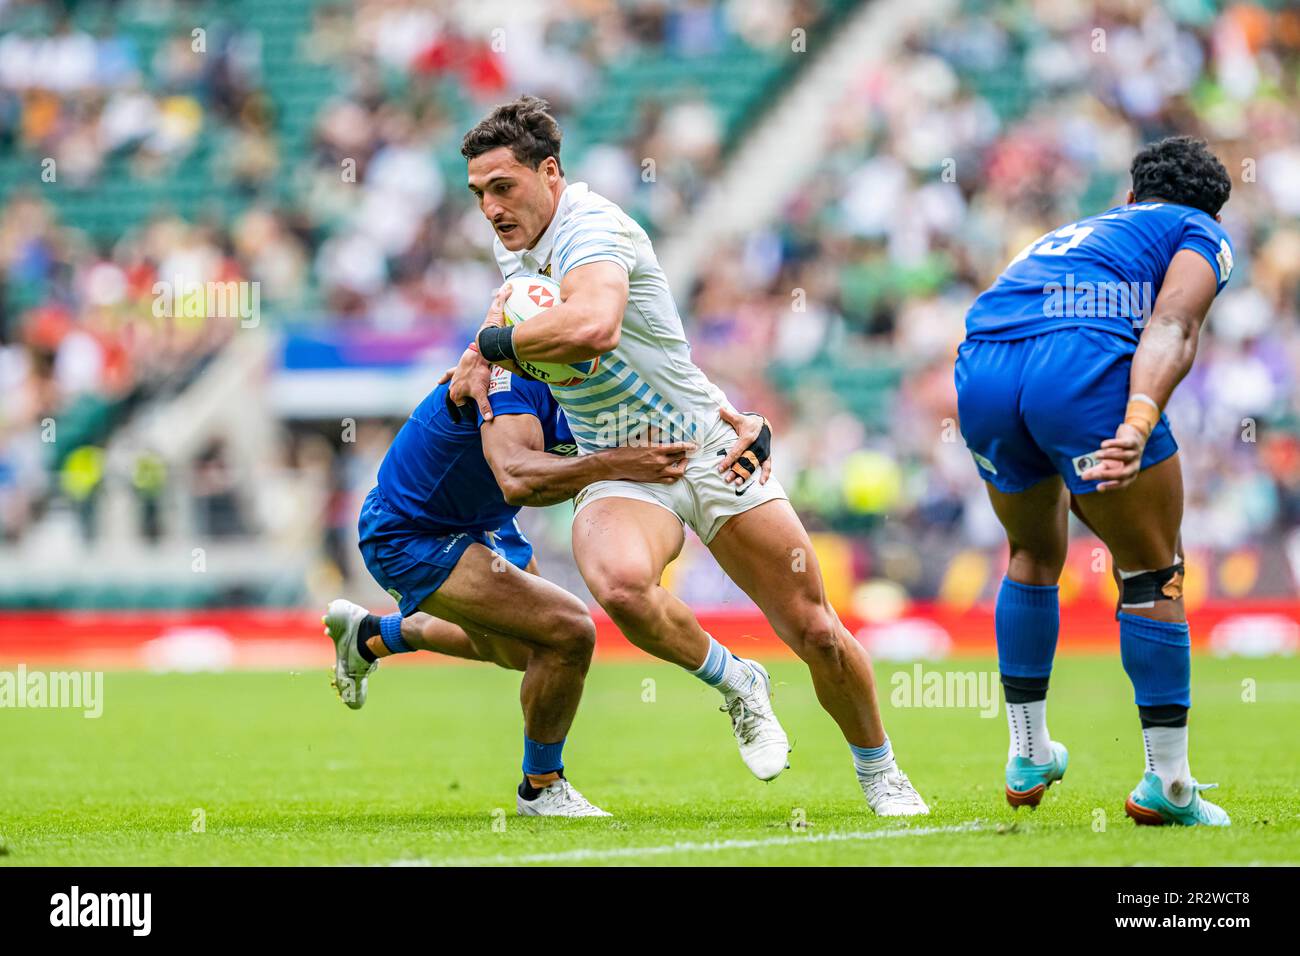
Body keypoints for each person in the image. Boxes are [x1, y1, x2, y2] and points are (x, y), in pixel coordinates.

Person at [447, 95, 928, 816]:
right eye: (479, 192)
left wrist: (489, 347)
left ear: (550, 173)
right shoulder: (516, 241)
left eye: (503, 187)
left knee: (817, 631)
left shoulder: (594, 228)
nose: (490, 206)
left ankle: (880, 770)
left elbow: (598, 326)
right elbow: (522, 307)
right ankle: (737, 682)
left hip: (706, 450)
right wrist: (478, 347)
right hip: (621, 463)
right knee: (617, 584)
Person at [954, 136, 1236, 826]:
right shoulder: (1200, 230)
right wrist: (1139, 420)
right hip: (1076, 363)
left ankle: (1029, 750)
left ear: (1132, 196)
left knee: (1030, 555)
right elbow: (1173, 320)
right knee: (1151, 572)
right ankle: (1168, 786)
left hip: (983, 365)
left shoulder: (1070, 234)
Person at [329, 358, 723, 817]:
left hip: (481, 520)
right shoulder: (506, 379)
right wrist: (614, 463)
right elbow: (518, 480)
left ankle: (375, 635)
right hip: (412, 530)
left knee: (525, 653)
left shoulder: (597, 378)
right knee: (568, 632)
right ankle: (541, 787)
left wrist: (732, 419)